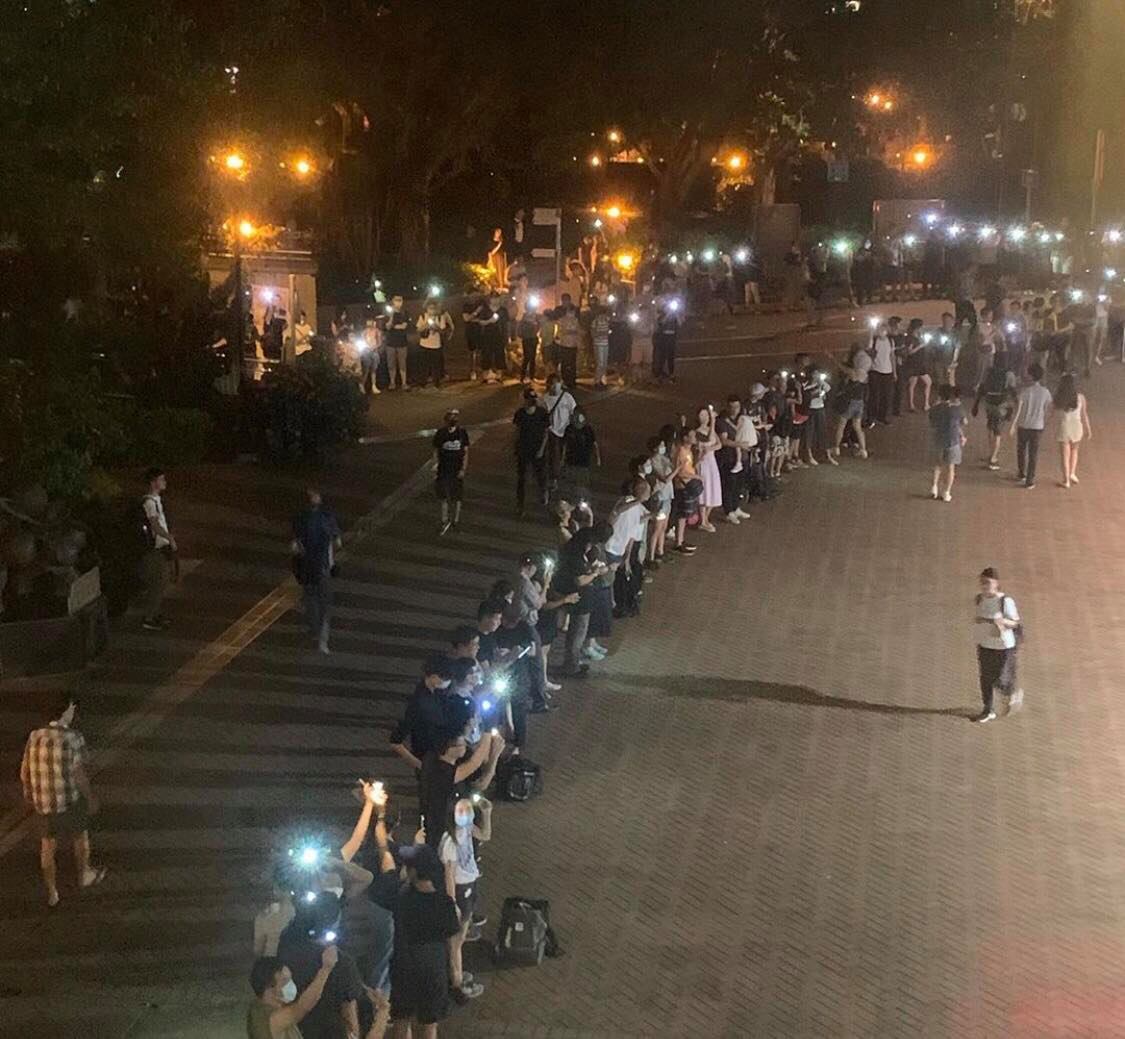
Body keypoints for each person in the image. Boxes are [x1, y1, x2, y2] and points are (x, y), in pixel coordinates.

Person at [20, 694, 106, 907]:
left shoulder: (35, 736)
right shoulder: (73, 737)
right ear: (66, 710)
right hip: (68, 800)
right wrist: (91, 797)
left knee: (47, 846)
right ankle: (84, 874)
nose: (73, 712)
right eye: (71, 709)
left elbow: (24, 770)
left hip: (43, 802)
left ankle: (52, 893)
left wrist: (30, 793)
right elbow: (78, 773)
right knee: (80, 836)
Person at [389, 843, 462, 1038]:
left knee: (401, 1019)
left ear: (413, 871)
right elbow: (452, 942)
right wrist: (455, 970)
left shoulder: (402, 899)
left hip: (404, 963)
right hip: (434, 966)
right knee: (430, 1023)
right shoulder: (444, 903)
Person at [277, 894, 365, 1039]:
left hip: (295, 1028)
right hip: (331, 1031)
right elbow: (349, 1010)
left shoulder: (287, 950)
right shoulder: (341, 961)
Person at [438, 798, 492, 1003]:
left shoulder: (467, 827)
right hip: (460, 891)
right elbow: (449, 876)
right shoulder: (449, 842)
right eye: (462, 811)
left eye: (469, 809)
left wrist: (487, 813)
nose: (467, 814)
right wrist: (452, 904)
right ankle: (456, 984)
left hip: (469, 885)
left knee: (459, 939)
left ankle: (455, 975)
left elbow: (485, 835)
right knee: (456, 941)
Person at [419, 732, 502, 847]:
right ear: (447, 749)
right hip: (443, 840)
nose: (464, 747)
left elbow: (481, 783)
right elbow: (474, 763)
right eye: (460, 744)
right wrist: (488, 731)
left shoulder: (451, 764)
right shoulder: (441, 772)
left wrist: (486, 813)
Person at [291, 488, 342, 655]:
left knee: (311, 601)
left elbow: (295, 547)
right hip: (322, 568)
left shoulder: (300, 519)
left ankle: (314, 631)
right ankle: (322, 640)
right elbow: (337, 542)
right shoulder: (327, 518)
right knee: (324, 605)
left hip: (307, 569)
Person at [247, 946, 339, 1039]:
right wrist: (326, 968)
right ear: (269, 988)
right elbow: (303, 1005)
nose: (291, 984)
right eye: (285, 981)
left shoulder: (264, 1008)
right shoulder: (270, 1018)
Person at [971, 567, 1022, 724]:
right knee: (985, 679)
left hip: (1004, 646)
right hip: (985, 643)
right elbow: (978, 616)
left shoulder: (1005, 601)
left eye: (987, 583)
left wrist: (1001, 622)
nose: (984, 586)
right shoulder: (979, 599)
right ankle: (988, 710)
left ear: (996, 583)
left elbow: (1015, 622)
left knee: (999, 679)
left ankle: (1011, 692)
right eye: (982, 583)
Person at [389, 656, 455, 774]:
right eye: (446, 679)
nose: (449, 683)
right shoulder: (418, 703)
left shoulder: (437, 693)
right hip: (427, 758)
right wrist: (422, 767)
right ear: (434, 677)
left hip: (441, 757)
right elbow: (395, 741)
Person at [139, 466, 175, 631]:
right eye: (161, 479)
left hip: (160, 548)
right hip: (155, 549)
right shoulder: (149, 502)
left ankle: (154, 614)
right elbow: (155, 525)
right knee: (158, 582)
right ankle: (149, 618)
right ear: (153, 483)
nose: (164, 482)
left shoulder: (156, 500)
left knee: (162, 582)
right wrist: (170, 538)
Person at [1009, 363, 1052, 489]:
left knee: (1021, 450)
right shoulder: (1045, 392)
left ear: (1031, 376)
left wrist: (1013, 425)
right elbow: (1048, 408)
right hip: (1038, 426)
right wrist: (1045, 421)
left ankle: (1021, 473)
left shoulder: (1025, 392)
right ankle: (1030, 479)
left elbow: (1018, 410)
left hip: (1023, 425)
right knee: (1033, 453)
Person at [972, 352, 1016, 472]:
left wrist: (975, 404)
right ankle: (993, 458)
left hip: (989, 403)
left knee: (990, 428)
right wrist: (1013, 406)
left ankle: (991, 453)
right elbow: (1012, 390)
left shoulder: (988, 371)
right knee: (998, 432)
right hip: (1001, 405)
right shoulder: (1009, 374)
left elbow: (981, 387)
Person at [828, 344, 870, 464]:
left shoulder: (853, 373)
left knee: (841, 425)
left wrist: (832, 358)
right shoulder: (865, 375)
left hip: (850, 402)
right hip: (860, 402)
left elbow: (842, 368)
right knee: (858, 427)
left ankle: (836, 448)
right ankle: (863, 450)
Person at [512, 389, 549, 515]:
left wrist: (542, 449)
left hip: (537, 449)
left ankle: (543, 491)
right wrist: (515, 446)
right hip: (523, 449)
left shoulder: (542, 413)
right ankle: (520, 504)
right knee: (522, 478)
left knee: (540, 475)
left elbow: (545, 433)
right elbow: (517, 431)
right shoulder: (520, 414)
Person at [432, 410, 469, 534]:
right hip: (444, 468)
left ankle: (455, 521)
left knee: (457, 497)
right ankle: (444, 520)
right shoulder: (441, 433)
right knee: (443, 496)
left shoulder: (462, 433)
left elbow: (466, 452)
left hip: (456, 469)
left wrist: (463, 468)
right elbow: (436, 450)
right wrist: (436, 465)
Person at [1053, 373, 1092, 488]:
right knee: (1075, 451)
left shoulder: (1059, 398)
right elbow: (1084, 415)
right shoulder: (1080, 397)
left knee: (1065, 455)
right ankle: (1072, 473)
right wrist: (1088, 429)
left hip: (1065, 426)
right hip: (1077, 426)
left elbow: (1052, 412)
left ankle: (1066, 480)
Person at [928, 384, 966, 502]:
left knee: (937, 464)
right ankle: (946, 492)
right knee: (950, 467)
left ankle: (934, 487)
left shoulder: (934, 409)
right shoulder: (956, 409)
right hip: (953, 440)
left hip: (938, 439)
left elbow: (932, 424)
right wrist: (962, 436)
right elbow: (963, 422)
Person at [715, 395, 749, 523]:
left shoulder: (741, 419)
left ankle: (736, 507)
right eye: (732, 407)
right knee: (729, 485)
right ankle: (728, 511)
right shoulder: (722, 421)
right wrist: (740, 444)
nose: (735, 409)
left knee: (739, 484)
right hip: (728, 458)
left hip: (742, 457)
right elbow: (724, 440)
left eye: (737, 407)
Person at [693, 406, 723, 532]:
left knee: (713, 488)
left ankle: (705, 519)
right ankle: (703, 520)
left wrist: (711, 449)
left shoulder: (710, 429)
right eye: (702, 415)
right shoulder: (697, 432)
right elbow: (709, 439)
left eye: (706, 415)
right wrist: (713, 422)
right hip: (703, 462)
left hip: (711, 461)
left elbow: (719, 444)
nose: (704, 418)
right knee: (704, 490)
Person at [563, 405, 600, 504]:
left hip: (584, 463)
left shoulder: (588, 430)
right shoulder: (569, 429)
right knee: (571, 483)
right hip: (570, 461)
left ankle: (582, 502)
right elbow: (565, 445)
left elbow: (594, 444)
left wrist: (597, 459)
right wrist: (562, 460)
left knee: (582, 484)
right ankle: (572, 501)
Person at [415, 302, 452, 389]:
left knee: (436, 365)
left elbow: (443, 330)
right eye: (429, 308)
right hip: (424, 344)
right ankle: (423, 382)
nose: (431, 310)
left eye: (433, 308)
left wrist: (436, 327)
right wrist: (426, 326)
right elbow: (418, 329)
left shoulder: (440, 317)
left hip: (436, 345)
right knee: (424, 365)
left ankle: (437, 382)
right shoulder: (423, 316)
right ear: (427, 309)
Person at [867, 322, 896, 426]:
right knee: (874, 396)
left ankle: (882, 416)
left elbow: (892, 356)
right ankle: (871, 417)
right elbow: (869, 352)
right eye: (879, 329)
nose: (881, 332)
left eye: (883, 330)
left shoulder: (890, 341)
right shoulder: (874, 340)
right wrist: (871, 335)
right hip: (875, 371)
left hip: (887, 371)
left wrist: (894, 371)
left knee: (886, 396)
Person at [476, 295, 508, 384]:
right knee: (486, 354)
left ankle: (499, 376)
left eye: (497, 298)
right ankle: (485, 376)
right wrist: (490, 321)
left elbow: (506, 324)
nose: (495, 300)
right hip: (487, 335)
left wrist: (507, 337)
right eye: (493, 298)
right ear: (490, 299)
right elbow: (480, 322)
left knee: (500, 354)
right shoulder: (485, 310)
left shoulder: (503, 310)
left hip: (499, 335)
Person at [901, 318, 932, 411]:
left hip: (919, 363)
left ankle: (918, 404)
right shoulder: (911, 338)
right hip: (914, 363)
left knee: (916, 384)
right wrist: (921, 346)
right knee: (918, 383)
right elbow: (910, 352)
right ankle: (916, 404)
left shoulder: (917, 337)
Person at [653, 293, 682, 383]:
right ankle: (659, 374)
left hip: (672, 337)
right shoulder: (661, 314)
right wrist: (668, 313)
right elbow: (661, 322)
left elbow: (680, 323)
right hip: (663, 337)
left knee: (671, 356)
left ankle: (671, 374)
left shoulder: (674, 314)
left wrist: (676, 314)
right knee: (662, 356)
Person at [383, 296, 410, 391]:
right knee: (391, 363)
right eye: (396, 300)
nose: (398, 302)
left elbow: (404, 326)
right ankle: (392, 383)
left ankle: (404, 383)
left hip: (402, 342)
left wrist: (395, 326)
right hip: (390, 342)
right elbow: (387, 327)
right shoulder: (387, 313)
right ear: (393, 302)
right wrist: (391, 316)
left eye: (400, 300)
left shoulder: (405, 313)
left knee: (402, 363)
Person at [554, 294, 581, 388]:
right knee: (565, 362)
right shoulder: (562, 318)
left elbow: (579, 330)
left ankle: (571, 380)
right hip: (565, 343)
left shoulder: (575, 319)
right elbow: (558, 329)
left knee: (571, 362)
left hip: (571, 344)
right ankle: (566, 380)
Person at [516, 300, 540, 383]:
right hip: (527, 338)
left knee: (532, 358)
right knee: (527, 357)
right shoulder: (524, 317)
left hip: (532, 338)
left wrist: (535, 325)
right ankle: (523, 377)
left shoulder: (536, 317)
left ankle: (531, 376)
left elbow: (538, 327)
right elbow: (521, 328)